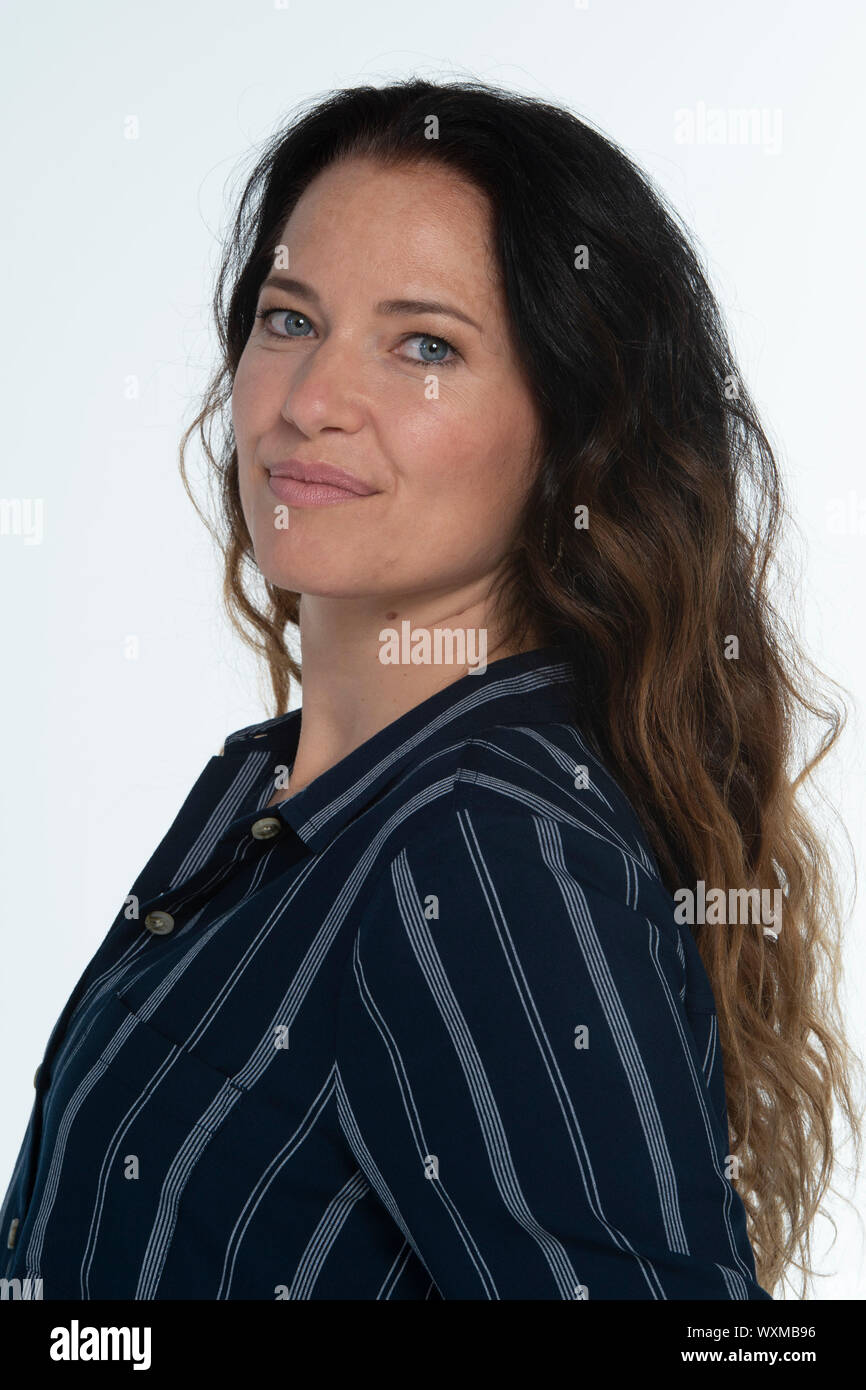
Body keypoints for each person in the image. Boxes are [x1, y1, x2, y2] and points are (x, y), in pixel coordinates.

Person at [1, 77, 859, 1301]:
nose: (308, 405)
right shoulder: (280, 788)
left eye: (424, 346)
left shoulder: (479, 849)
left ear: (569, 430)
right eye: (290, 321)